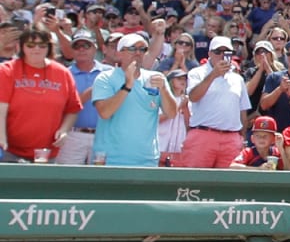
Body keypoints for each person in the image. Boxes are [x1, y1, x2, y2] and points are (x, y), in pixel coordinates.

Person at [92, 33, 177, 167]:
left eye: (142, 49)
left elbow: (171, 113)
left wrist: (164, 90)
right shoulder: (105, 78)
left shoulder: (155, 78)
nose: (138, 53)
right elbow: (105, 112)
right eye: (132, 48)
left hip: (147, 159)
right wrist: (127, 85)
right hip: (111, 159)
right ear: (119, 53)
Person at [0, 27, 80, 162]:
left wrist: (64, 130)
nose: (36, 49)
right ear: (21, 46)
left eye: (42, 45)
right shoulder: (7, 70)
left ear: (49, 47)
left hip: (47, 152)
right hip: (10, 151)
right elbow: (1, 109)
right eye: (30, 45)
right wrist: (1, 138)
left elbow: (73, 109)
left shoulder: (62, 73)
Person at [179, 36, 251, 168]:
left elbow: (243, 111)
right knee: (195, 182)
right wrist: (213, 74)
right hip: (203, 135)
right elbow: (193, 97)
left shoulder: (237, 79)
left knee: (229, 184)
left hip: (231, 137)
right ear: (210, 53)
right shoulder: (197, 73)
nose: (222, 55)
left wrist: (242, 138)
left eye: (227, 52)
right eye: (218, 51)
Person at [59, 33, 104, 164]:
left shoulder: (109, 73)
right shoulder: (63, 74)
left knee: (102, 180)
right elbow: (61, 107)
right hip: (72, 134)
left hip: (103, 135)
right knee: (68, 180)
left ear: (95, 49)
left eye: (86, 45)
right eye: (77, 46)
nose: (81, 49)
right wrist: (86, 95)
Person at [158, 69, 190, 166]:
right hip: (162, 144)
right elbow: (159, 119)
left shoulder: (188, 100)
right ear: (171, 81)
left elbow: (189, 125)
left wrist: (185, 108)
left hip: (179, 147)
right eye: (179, 79)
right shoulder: (163, 98)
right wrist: (179, 106)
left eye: (184, 79)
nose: (182, 81)